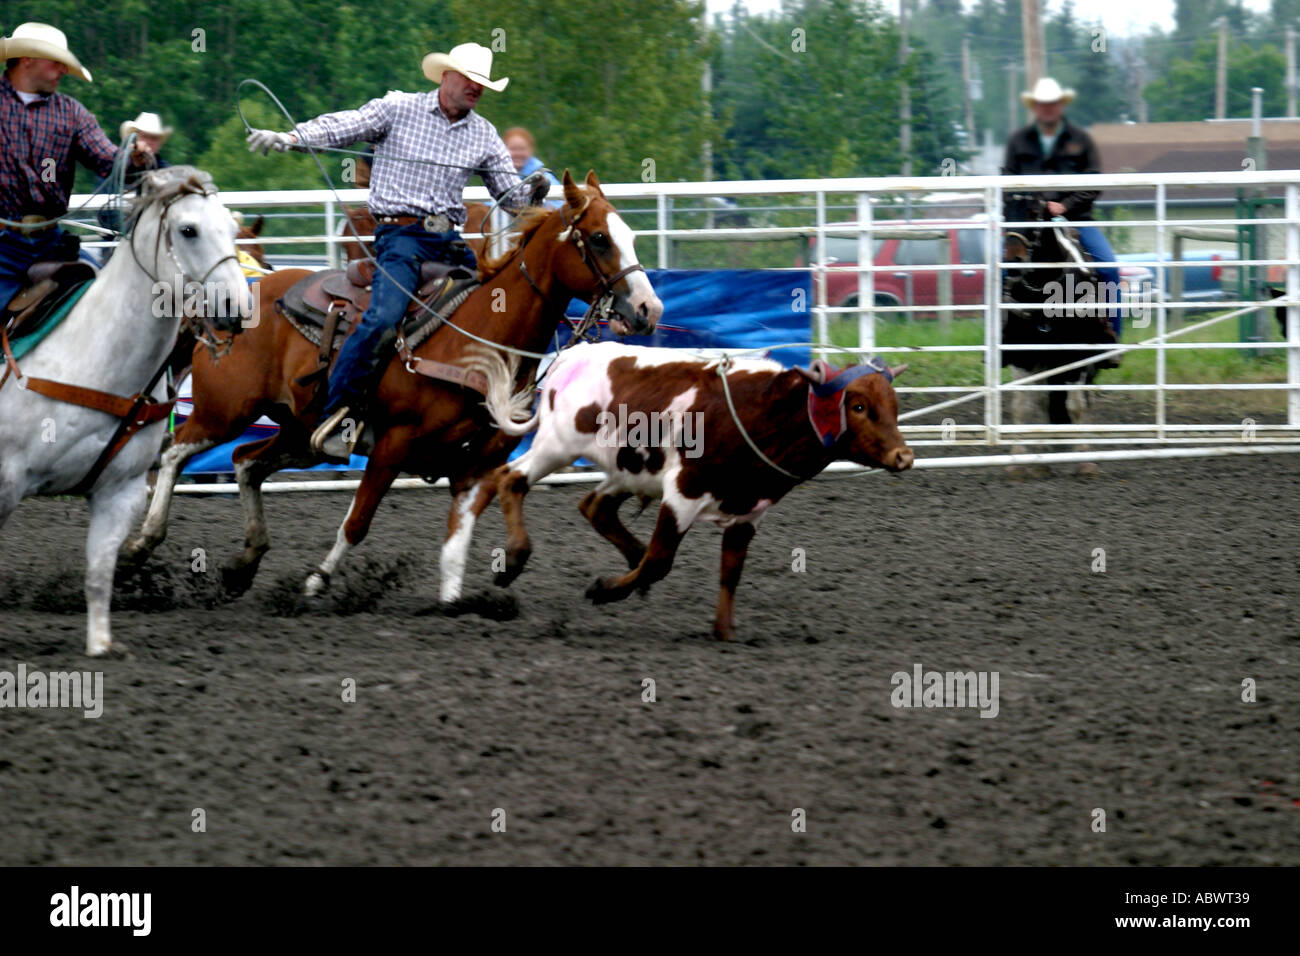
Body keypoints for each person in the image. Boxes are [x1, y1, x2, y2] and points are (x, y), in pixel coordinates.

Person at [246, 41, 549, 461]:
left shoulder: (484, 134)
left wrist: (533, 195)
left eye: (483, 83)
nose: (477, 88)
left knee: (497, 309)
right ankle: (338, 417)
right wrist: (291, 137)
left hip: (449, 242)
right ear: (447, 77)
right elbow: (344, 126)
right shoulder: (398, 109)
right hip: (400, 239)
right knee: (383, 319)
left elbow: (510, 199)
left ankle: (470, 418)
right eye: (471, 79)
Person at [0, 22, 154, 312]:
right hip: (2, 246)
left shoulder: (71, 113)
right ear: (27, 59)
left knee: (111, 305)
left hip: (51, 245)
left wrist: (133, 158)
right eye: (56, 62)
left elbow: (107, 158)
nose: (63, 70)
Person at [1002, 77, 1122, 336]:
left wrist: (1065, 206)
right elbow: (1007, 184)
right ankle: (1000, 338)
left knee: (1109, 269)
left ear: (1061, 105)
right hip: (1027, 225)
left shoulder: (1081, 140)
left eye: (1052, 103)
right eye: (1042, 104)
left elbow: (1092, 184)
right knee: (1001, 271)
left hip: (1076, 220)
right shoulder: (1018, 141)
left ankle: (1112, 335)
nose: (1047, 108)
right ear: (1034, 106)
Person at [95, 111, 173, 254]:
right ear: (134, 139)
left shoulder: (167, 173)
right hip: (116, 247)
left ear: (159, 143)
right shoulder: (113, 169)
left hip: (156, 248)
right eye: (144, 136)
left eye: (154, 138)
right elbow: (105, 213)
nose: (149, 142)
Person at [503, 126, 559, 203]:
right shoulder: (496, 178)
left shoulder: (546, 178)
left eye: (522, 149)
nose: (518, 153)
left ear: (531, 150)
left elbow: (558, 208)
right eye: (513, 149)